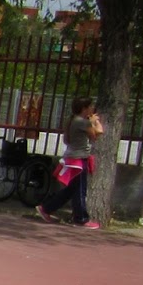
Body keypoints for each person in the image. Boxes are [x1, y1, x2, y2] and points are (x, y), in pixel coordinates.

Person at [37, 96, 104, 229]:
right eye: (90, 107)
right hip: (78, 159)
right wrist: (95, 121)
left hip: (73, 157)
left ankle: (46, 208)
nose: (92, 109)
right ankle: (81, 219)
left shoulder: (73, 120)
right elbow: (98, 133)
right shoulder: (82, 122)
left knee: (71, 190)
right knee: (79, 189)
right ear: (84, 108)